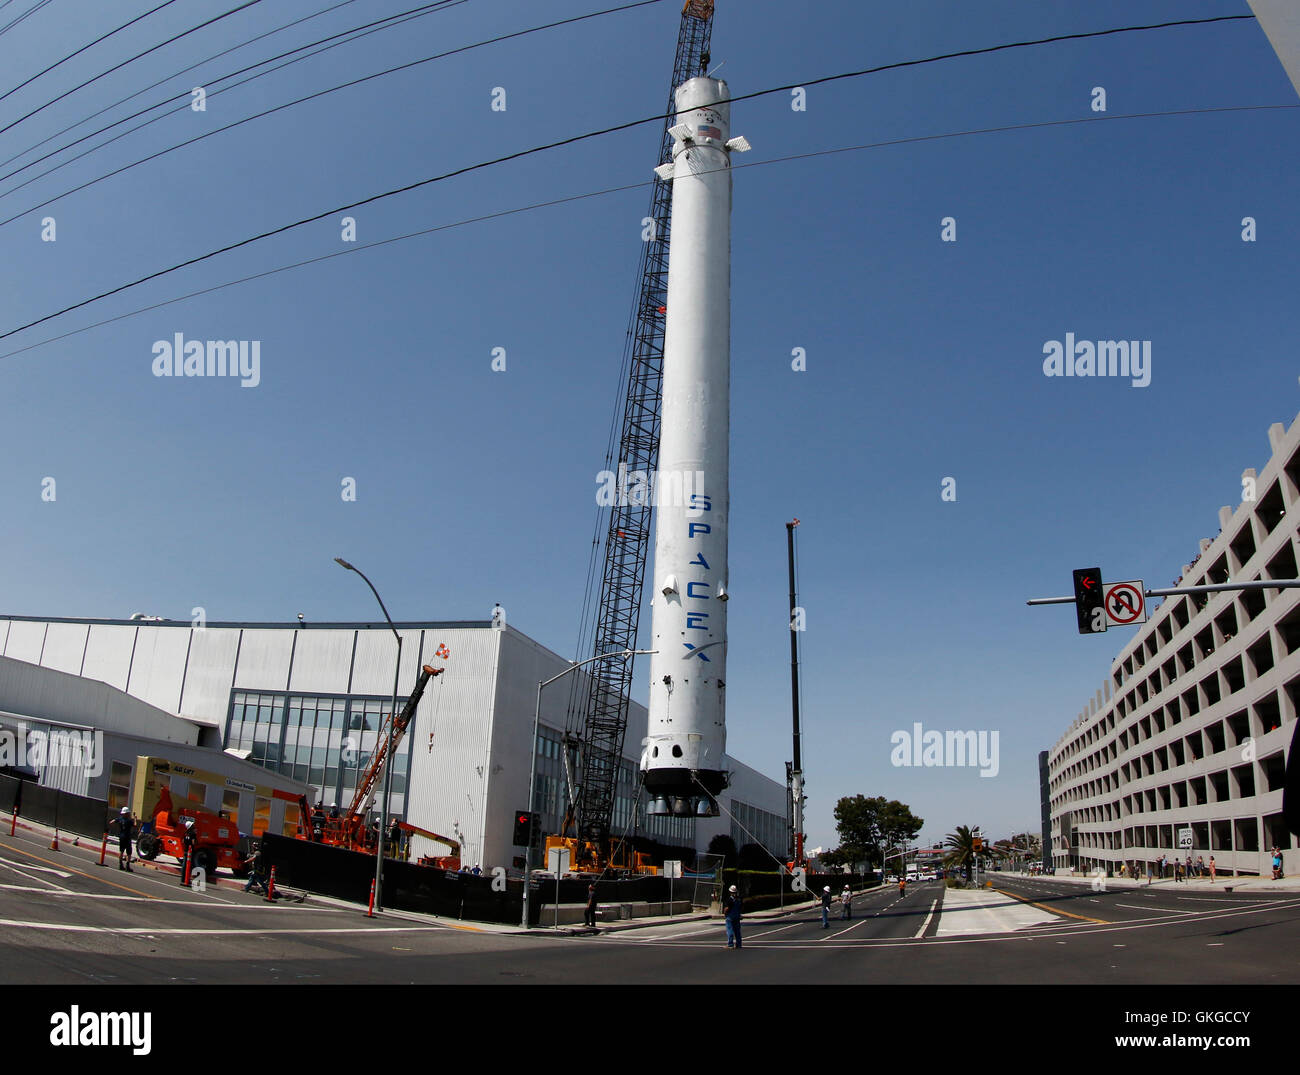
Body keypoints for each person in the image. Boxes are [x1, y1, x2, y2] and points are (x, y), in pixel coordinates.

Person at [110, 807, 135, 872]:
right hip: (127, 837)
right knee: (129, 852)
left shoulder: (120, 819)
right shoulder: (129, 821)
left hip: (121, 836)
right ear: (126, 813)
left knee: (121, 850)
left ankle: (120, 864)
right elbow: (135, 825)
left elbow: (112, 821)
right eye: (128, 813)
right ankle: (127, 866)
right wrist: (135, 818)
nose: (129, 814)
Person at [723, 884, 742, 948]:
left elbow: (727, 908)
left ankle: (730, 944)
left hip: (730, 917)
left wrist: (724, 913)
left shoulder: (730, 899)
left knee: (730, 930)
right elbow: (740, 908)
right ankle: (739, 944)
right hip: (737, 916)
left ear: (730, 892)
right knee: (737, 931)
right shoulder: (738, 899)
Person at [180, 818, 198, 886]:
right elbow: (194, 842)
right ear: (190, 827)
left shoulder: (185, 833)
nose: (194, 826)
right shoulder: (192, 834)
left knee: (184, 865)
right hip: (190, 852)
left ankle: (183, 878)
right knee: (189, 866)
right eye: (192, 825)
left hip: (186, 850)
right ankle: (187, 879)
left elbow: (183, 841)